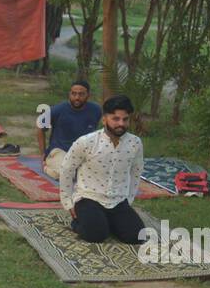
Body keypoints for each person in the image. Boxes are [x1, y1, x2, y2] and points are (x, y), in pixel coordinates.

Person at [58, 94, 145, 245]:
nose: (121, 124)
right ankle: (79, 223)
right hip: (89, 197)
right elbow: (67, 169)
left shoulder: (135, 143)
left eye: (125, 119)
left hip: (118, 200)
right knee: (96, 235)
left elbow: (136, 172)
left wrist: (128, 199)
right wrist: (68, 202)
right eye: (115, 119)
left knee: (138, 236)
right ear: (104, 119)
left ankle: (107, 222)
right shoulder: (87, 142)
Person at [39, 79, 101, 177]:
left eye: (81, 94)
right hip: (60, 151)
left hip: (83, 153)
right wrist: (43, 153)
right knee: (64, 174)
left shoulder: (96, 110)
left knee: (102, 173)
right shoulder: (57, 110)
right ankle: (47, 168)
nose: (77, 97)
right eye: (74, 93)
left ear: (88, 95)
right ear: (69, 94)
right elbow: (40, 128)